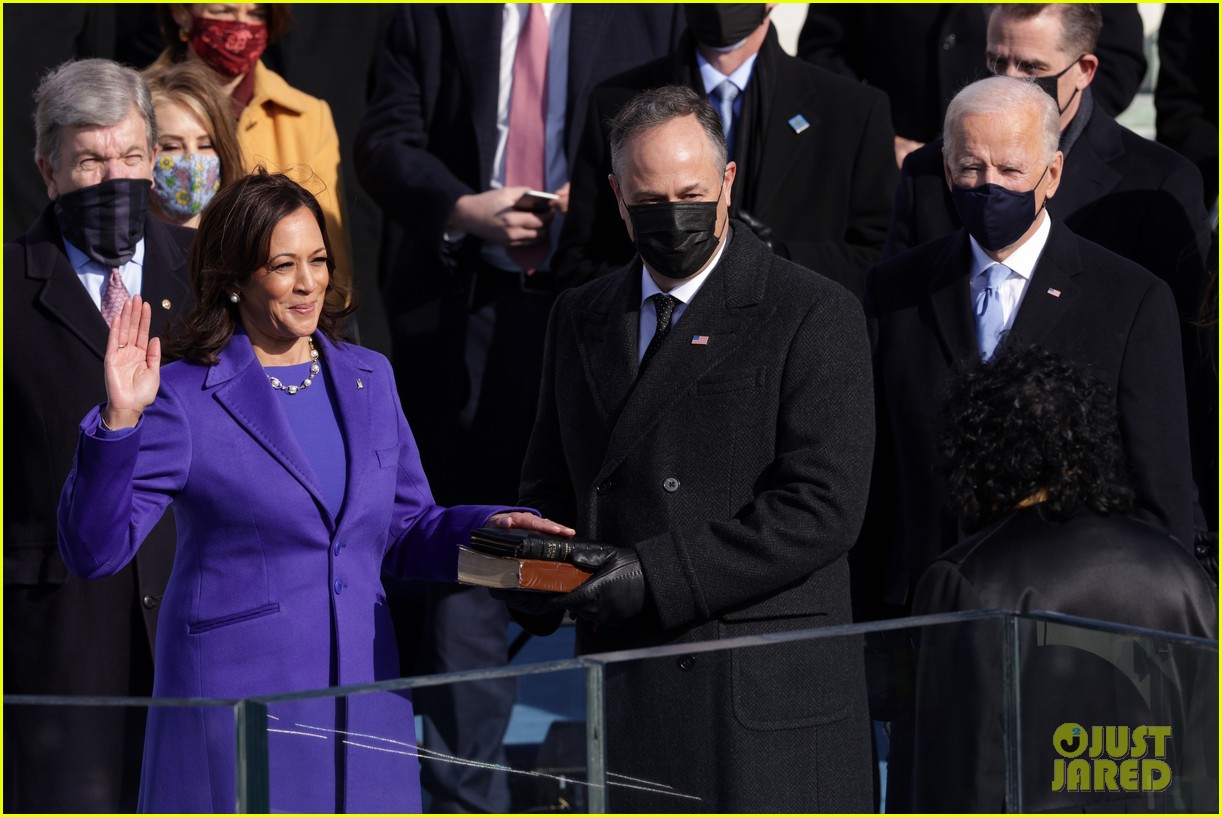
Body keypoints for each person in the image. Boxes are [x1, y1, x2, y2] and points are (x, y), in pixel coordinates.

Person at [54, 170, 572, 813]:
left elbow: (405, 529)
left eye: (318, 260)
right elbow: (93, 551)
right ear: (236, 277)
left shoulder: (369, 376)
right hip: (238, 714)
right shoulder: (184, 395)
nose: (308, 284)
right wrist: (120, 421)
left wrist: (495, 531)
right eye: (283, 265)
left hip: (366, 703)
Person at [508, 85, 875, 812]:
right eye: (650, 200)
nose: (673, 216)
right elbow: (551, 482)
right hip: (632, 684)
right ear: (615, 197)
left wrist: (653, 574)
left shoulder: (813, 310)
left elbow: (823, 507)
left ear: (728, 182)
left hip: (761, 703)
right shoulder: (580, 316)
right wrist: (532, 572)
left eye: (692, 194)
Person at [352, 5, 683, 810]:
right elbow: (385, 140)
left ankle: (640, 783)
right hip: (466, 314)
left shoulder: (647, 17)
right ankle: (468, 792)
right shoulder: (433, 13)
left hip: (600, 313)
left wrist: (600, 206)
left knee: (594, 540)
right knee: (477, 550)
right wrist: (464, 209)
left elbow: (676, 134)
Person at [862, 75, 1194, 617]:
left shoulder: (1130, 300)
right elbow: (878, 481)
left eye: (1011, 170)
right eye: (971, 168)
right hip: (924, 620)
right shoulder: (894, 291)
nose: (988, 185)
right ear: (947, 170)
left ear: (1053, 173)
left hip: (1077, 623)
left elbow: (1162, 497)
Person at [899, 347, 1217, 812]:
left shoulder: (965, 578)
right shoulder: (1178, 568)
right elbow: (1207, 753)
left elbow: (945, 766)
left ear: (978, 452)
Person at [3, 58, 194, 813]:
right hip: (56, 644)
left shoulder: (209, 276)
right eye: (90, 159)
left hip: (190, 630)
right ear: (49, 171)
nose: (115, 176)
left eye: (131, 156)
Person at [884, 3, 1209, 326]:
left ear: (1085, 71)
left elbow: (1178, 347)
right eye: (997, 62)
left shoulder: (1158, 184)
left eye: (1031, 68)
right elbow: (896, 318)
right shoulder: (927, 172)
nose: (1009, 82)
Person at [554, 2, 898, 299]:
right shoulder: (615, 103)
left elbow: (882, 257)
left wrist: (769, 255)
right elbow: (578, 263)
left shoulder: (853, 110)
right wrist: (666, 272)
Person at [151, 3, 354, 295]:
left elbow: (329, 248)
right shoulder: (135, 103)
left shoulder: (307, 116)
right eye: (223, 11)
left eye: (256, 14)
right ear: (181, 12)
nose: (240, 26)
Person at [797, 3, 1147, 167]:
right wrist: (876, 138)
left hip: (1041, 173)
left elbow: (1117, 62)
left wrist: (1036, 136)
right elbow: (826, 50)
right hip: (901, 168)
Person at [143, 60, 244, 228]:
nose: (193, 160)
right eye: (171, 147)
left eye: (205, 145)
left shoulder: (243, 243)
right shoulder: (128, 250)